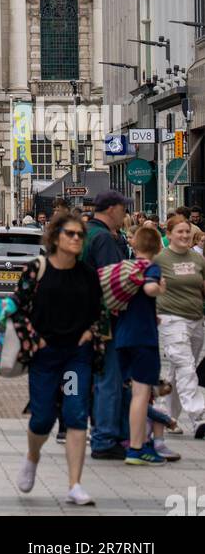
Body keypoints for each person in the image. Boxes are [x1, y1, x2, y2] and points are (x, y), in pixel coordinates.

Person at [14, 211, 103, 506]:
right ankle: (32, 456)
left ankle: (75, 484)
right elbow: (16, 307)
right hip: (45, 355)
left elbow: (99, 311)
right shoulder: (37, 269)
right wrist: (33, 340)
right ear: (55, 237)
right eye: (71, 234)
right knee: (42, 418)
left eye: (80, 234)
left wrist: (91, 333)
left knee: (76, 413)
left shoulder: (88, 274)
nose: (77, 238)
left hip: (75, 358)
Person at [83, 189, 132, 460]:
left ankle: (88, 429)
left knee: (90, 378)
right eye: (123, 209)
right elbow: (115, 281)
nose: (125, 215)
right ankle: (104, 438)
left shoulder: (82, 233)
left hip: (78, 318)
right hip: (103, 318)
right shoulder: (103, 238)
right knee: (108, 380)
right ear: (112, 209)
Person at [114, 224, 167, 464]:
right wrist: (159, 288)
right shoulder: (151, 267)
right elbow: (149, 287)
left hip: (123, 336)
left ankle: (136, 442)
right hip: (143, 338)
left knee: (132, 393)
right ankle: (137, 448)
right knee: (141, 394)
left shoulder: (126, 267)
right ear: (157, 247)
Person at [155, 214, 205, 438]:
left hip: (195, 318)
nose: (185, 235)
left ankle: (168, 415)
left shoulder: (197, 260)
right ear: (169, 235)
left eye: (187, 232)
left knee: (181, 368)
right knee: (185, 365)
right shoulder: (160, 259)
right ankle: (199, 416)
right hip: (171, 319)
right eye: (180, 232)